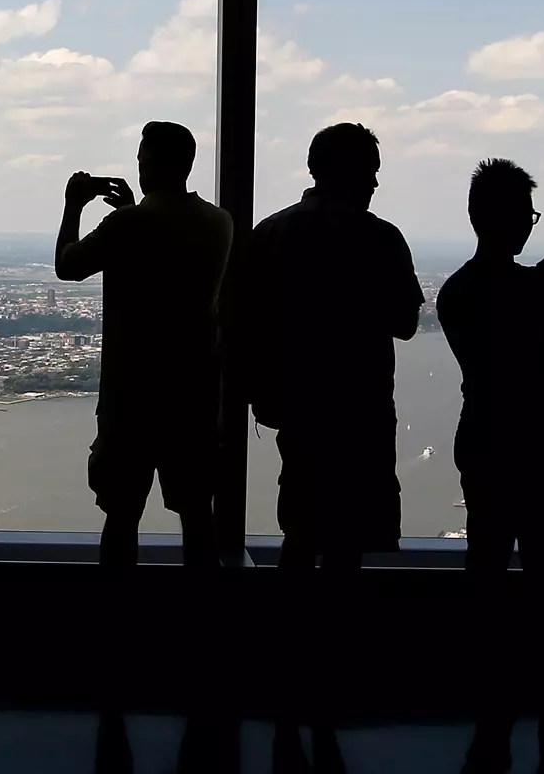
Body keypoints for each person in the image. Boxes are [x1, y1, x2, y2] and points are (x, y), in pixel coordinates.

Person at [230, 123, 422, 571]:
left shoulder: (268, 235)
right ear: (353, 174)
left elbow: (242, 324)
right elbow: (406, 323)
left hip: (297, 409)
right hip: (361, 410)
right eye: (370, 171)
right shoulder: (380, 238)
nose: (375, 183)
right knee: (348, 542)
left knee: (299, 532)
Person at [55, 121, 234, 567]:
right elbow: (167, 253)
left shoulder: (128, 224)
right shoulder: (219, 222)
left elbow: (68, 266)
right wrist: (135, 211)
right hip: (193, 392)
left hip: (131, 394)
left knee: (121, 515)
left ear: (149, 163)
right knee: (197, 514)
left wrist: (73, 205)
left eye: (140, 158)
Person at [436, 160, 544, 574]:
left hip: (481, 435)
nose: (530, 225)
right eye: (527, 215)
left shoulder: (455, 291)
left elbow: (507, 289)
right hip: (536, 443)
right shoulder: (533, 288)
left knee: (486, 556)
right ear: (510, 219)